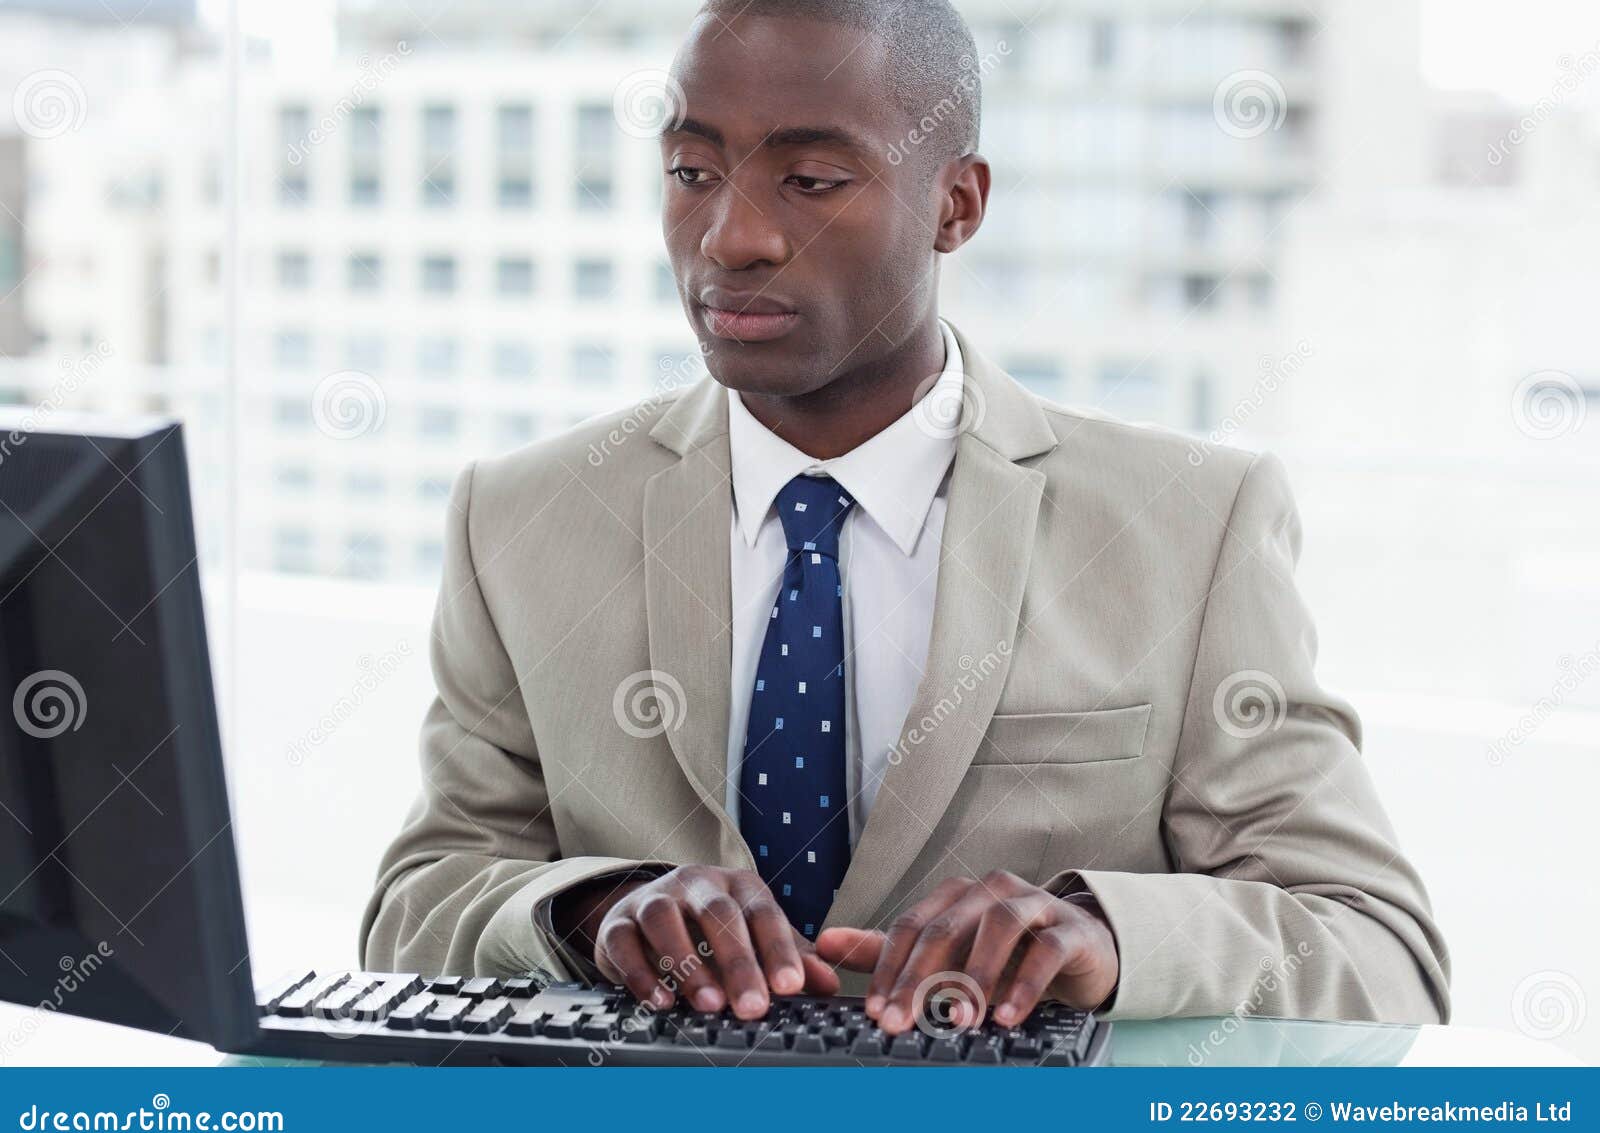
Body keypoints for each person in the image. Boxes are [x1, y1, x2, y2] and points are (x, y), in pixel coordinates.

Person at [362, 0, 1449, 1034]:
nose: (730, 235)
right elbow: (415, 907)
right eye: (692, 172)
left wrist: (1109, 936)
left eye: (812, 179)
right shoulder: (520, 517)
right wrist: (587, 910)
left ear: (956, 205)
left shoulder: (1191, 525)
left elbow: (1380, 951)